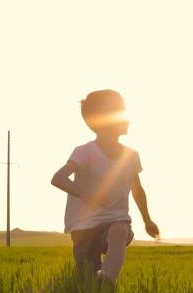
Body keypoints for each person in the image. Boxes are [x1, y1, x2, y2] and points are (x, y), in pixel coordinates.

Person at [51, 89, 160, 283]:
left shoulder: (131, 156)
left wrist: (147, 219)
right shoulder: (85, 152)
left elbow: (137, 189)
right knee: (86, 281)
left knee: (119, 230)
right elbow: (58, 178)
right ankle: (97, 289)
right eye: (117, 110)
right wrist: (89, 195)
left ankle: (107, 281)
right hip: (84, 228)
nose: (125, 116)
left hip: (115, 219)